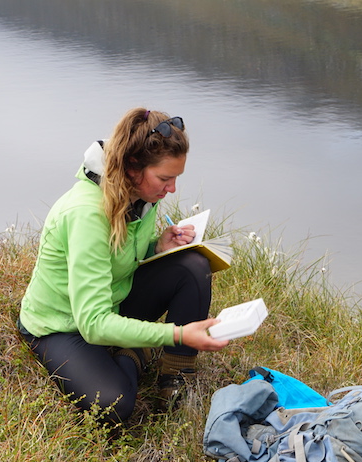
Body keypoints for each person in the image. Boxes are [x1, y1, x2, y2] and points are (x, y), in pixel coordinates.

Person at [18, 108, 229, 423]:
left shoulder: (142, 195)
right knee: (113, 403)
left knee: (193, 266)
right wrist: (177, 334)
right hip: (63, 326)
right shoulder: (86, 214)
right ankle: (134, 353)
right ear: (133, 166)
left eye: (175, 179)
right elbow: (92, 323)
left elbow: (119, 254)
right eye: (165, 178)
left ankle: (175, 376)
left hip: (114, 301)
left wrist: (155, 246)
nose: (171, 189)